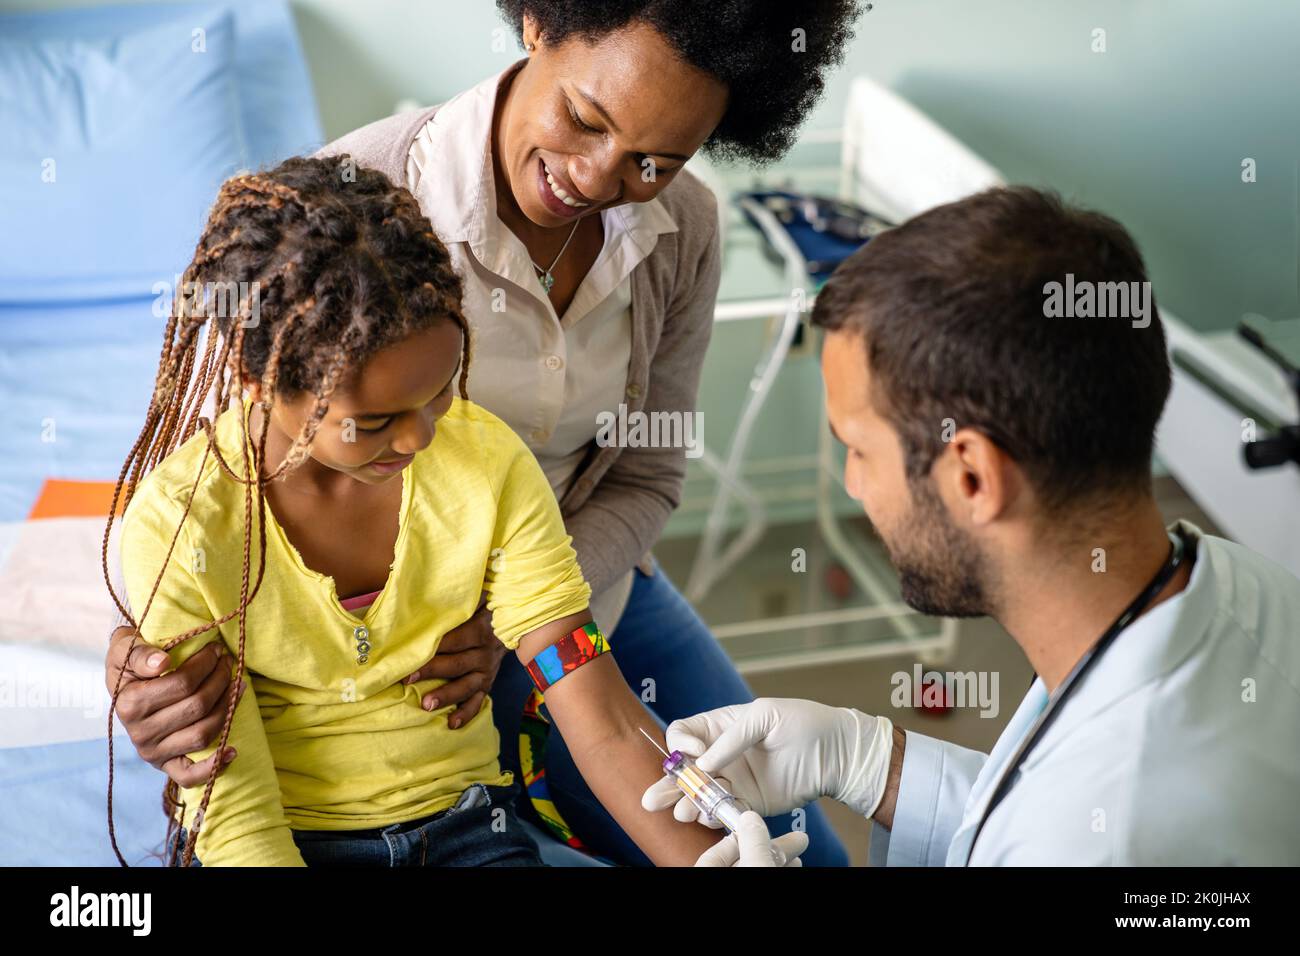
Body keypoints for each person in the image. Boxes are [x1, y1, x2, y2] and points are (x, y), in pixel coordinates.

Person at [104, 0, 867, 867]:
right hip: (389, 680)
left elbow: (645, 485)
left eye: (653, 162)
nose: (598, 177)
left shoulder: (671, 243)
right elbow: (212, 503)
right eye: (585, 118)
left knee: (794, 849)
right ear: (540, 23)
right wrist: (147, 651)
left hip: (565, 580)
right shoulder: (341, 211)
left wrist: (506, 612)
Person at [644, 186, 1300, 866]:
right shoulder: (1245, 585)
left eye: (860, 450)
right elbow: (1037, 810)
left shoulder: (1109, 831)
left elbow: (1066, 830)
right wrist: (870, 761)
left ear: (973, 479)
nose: (851, 482)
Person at [108, 155, 727, 867]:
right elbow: (236, 812)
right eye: (372, 422)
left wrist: (722, 855)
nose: (420, 438)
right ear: (257, 379)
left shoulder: (485, 462)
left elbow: (602, 714)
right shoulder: (184, 524)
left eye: (438, 394)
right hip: (291, 843)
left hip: (471, 831)